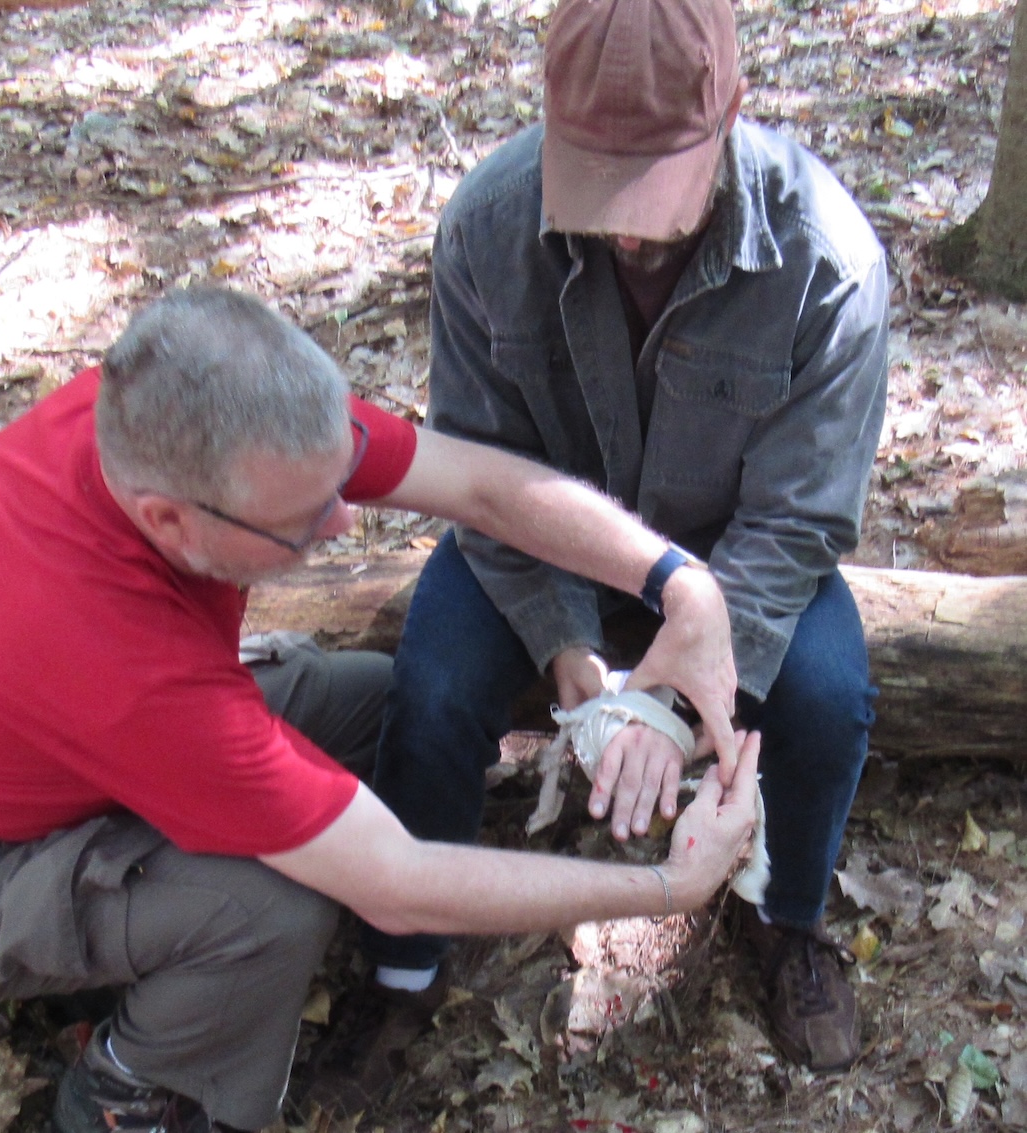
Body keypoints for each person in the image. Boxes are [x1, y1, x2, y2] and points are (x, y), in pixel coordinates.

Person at [0, 286, 760, 1133]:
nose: (345, 522)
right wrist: (670, 889)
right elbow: (395, 877)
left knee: (372, 701)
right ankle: (133, 1093)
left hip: (62, 764)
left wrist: (681, 581)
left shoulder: (193, 411)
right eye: (302, 519)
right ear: (168, 520)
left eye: (338, 485)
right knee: (271, 905)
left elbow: (480, 487)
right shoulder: (115, 658)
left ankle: (192, 960)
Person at [362, 0, 888, 1080]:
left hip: (738, 554)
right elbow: (480, 478)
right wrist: (575, 664)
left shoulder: (827, 260)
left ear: (733, 111)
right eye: (600, 182)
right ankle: (400, 964)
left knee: (832, 699)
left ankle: (785, 919)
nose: (630, 228)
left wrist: (676, 698)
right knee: (430, 693)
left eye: (656, 186)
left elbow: (799, 522)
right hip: (538, 545)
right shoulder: (486, 227)